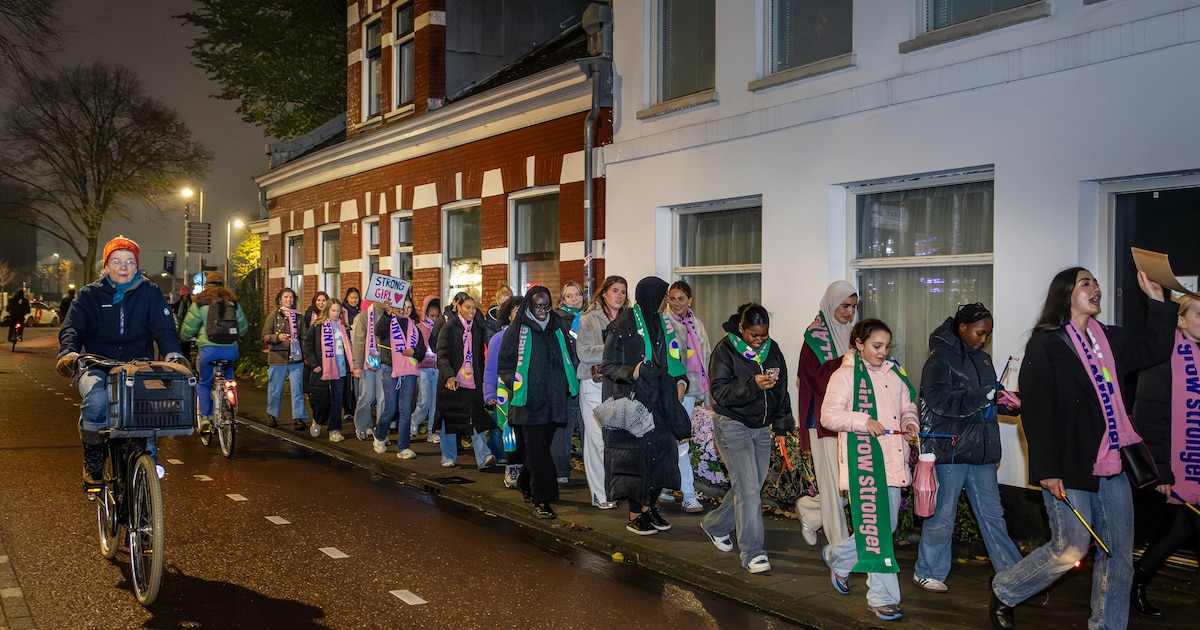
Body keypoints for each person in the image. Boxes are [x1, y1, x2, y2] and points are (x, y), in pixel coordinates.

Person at [989, 268, 1173, 630]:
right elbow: (1038, 411)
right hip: (1069, 461)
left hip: (1114, 459)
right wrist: (1047, 469)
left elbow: (1155, 347)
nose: (1096, 288)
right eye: (1086, 283)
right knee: (1070, 547)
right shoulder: (1046, 343)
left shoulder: (1109, 339)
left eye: (1096, 283)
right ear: (1066, 295)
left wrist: (1156, 299)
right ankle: (1006, 589)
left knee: (1118, 553)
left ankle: (1107, 625)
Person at [56, 236, 187, 483]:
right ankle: (94, 453)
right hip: (97, 363)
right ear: (106, 266)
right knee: (96, 400)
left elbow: (164, 328)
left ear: (137, 266)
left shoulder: (150, 292)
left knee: (147, 409)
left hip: (138, 365)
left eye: (129, 262)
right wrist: (69, 353)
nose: (123, 267)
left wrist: (173, 354)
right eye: (117, 261)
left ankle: (147, 469)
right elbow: (72, 328)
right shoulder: (89, 295)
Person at [912, 303, 1023, 593]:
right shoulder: (939, 360)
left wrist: (1007, 403)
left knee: (993, 516)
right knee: (943, 515)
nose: (983, 339)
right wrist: (984, 396)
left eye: (987, 334)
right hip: (950, 450)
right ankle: (927, 570)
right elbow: (938, 403)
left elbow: (983, 403)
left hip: (982, 451)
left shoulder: (984, 361)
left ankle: (1014, 575)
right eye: (979, 332)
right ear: (962, 328)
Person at [821, 318, 919, 622]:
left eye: (887, 346)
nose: (883, 352)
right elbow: (829, 416)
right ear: (858, 344)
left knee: (882, 529)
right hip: (865, 464)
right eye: (877, 346)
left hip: (892, 461)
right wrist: (863, 422)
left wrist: (910, 423)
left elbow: (907, 406)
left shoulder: (894, 372)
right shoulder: (845, 375)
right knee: (878, 533)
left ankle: (839, 557)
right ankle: (882, 597)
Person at [700, 303, 793, 573]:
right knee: (749, 489)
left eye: (763, 335)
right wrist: (753, 384)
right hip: (732, 423)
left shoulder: (772, 349)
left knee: (749, 486)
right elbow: (720, 392)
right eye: (754, 335)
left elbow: (782, 389)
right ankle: (753, 552)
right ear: (742, 329)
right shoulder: (725, 350)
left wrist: (783, 426)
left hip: (762, 426)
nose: (759, 340)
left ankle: (715, 525)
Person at [600, 276, 692, 536]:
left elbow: (671, 360)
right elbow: (607, 366)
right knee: (635, 459)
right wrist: (634, 371)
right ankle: (634, 515)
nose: (667, 303)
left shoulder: (661, 323)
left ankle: (649, 507)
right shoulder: (623, 324)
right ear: (653, 297)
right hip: (631, 401)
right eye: (664, 297)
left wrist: (680, 381)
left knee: (660, 455)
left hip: (658, 400)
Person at [1130, 295, 1200, 618]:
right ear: (1181, 321)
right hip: (1179, 466)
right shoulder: (1163, 357)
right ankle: (1137, 581)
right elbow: (1147, 417)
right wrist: (1161, 470)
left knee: (1182, 530)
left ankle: (1138, 580)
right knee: (1184, 529)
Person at [498, 286, 580, 519]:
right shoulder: (517, 330)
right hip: (528, 404)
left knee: (537, 451)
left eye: (546, 306)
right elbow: (505, 364)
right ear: (528, 306)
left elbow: (568, 358)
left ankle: (525, 483)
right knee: (540, 453)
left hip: (554, 402)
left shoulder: (558, 328)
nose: (543, 311)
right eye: (537, 307)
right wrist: (515, 383)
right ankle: (543, 499)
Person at [795, 281, 857, 547]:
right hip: (820, 419)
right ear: (832, 303)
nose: (849, 312)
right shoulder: (815, 338)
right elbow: (819, 380)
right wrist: (848, 361)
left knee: (847, 483)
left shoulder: (851, 334)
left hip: (848, 419)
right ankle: (839, 545)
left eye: (853, 307)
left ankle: (809, 510)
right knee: (832, 485)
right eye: (845, 306)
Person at [577, 276, 629, 510]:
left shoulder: (629, 318)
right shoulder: (589, 318)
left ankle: (613, 489)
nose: (619, 295)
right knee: (597, 441)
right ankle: (599, 493)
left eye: (623, 291)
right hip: (594, 384)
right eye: (615, 290)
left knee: (615, 442)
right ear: (604, 293)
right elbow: (584, 353)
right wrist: (614, 348)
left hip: (619, 386)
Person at [179, 271, 249, 435]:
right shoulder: (232, 303)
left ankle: (205, 418)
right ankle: (230, 398)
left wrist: (184, 338)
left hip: (209, 350)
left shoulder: (200, 303)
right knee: (228, 372)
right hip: (230, 350)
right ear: (223, 284)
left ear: (207, 285)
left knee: (204, 382)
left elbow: (188, 328)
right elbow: (243, 327)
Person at [663, 280, 711, 513]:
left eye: (681, 298)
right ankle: (687, 493)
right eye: (672, 298)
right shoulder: (665, 323)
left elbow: (706, 356)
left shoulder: (697, 324)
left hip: (691, 390)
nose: (676, 303)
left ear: (689, 300)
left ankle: (673, 488)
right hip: (672, 389)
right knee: (675, 441)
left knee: (679, 440)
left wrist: (709, 392)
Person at [435, 292, 498, 467]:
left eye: (473, 307)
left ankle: (484, 457)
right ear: (458, 308)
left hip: (473, 380)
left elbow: (481, 355)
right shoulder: (449, 327)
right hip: (453, 382)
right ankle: (448, 456)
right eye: (467, 307)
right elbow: (441, 354)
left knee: (475, 416)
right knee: (450, 417)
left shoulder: (478, 327)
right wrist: (449, 375)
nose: (471, 311)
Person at [372, 296, 425, 458]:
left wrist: (414, 352)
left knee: (405, 409)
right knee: (391, 408)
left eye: (409, 308)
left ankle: (403, 448)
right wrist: (388, 314)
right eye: (403, 307)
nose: (406, 310)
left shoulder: (415, 328)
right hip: (390, 368)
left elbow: (421, 351)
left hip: (409, 371)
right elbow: (378, 331)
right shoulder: (389, 322)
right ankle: (379, 435)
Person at [484, 296, 523, 488]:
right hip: (504, 392)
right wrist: (489, 392)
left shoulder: (530, 336)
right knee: (509, 431)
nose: (519, 313)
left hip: (525, 391)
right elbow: (490, 368)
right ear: (507, 314)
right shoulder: (498, 339)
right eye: (515, 310)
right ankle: (512, 466)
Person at [303, 297, 354, 442]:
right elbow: (308, 346)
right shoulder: (317, 325)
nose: (336, 313)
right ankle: (318, 420)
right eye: (333, 310)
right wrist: (314, 364)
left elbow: (348, 347)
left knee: (338, 400)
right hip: (323, 369)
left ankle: (335, 430)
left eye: (338, 311)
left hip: (341, 369)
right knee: (323, 400)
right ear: (327, 310)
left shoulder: (344, 326)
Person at [551, 281, 586, 484]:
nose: (575, 299)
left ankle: (592, 471)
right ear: (562, 300)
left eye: (578, 294)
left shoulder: (588, 318)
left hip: (587, 381)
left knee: (588, 430)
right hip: (567, 382)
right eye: (570, 295)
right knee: (562, 431)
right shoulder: (558, 320)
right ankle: (560, 471)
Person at [262, 287, 309, 430]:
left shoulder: (299, 317)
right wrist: (277, 338)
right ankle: (272, 414)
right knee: (275, 389)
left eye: (291, 297)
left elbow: (304, 337)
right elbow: (265, 336)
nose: (289, 300)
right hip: (278, 357)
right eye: (286, 297)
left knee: (297, 390)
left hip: (296, 358)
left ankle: (298, 417)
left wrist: (305, 356)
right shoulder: (273, 316)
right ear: (280, 299)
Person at [350, 298, 387, 441]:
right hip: (368, 363)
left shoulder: (390, 314)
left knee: (383, 398)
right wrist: (357, 365)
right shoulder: (365, 316)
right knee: (367, 396)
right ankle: (362, 426)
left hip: (385, 363)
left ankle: (381, 431)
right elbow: (359, 341)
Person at [413, 295, 442, 443]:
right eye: (432, 315)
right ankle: (413, 422)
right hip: (423, 368)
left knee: (435, 402)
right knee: (424, 401)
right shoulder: (419, 328)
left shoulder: (441, 328)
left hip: (437, 369)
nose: (435, 318)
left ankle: (432, 431)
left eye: (437, 315)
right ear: (425, 313)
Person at [341, 287, 362, 424]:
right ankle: (347, 409)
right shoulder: (342, 312)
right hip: (344, 349)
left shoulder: (362, 312)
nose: (354, 300)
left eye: (356, 298)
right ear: (347, 298)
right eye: (351, 297)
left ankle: (356, 408)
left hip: (357, 349)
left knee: (357, 381)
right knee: (345, 381)